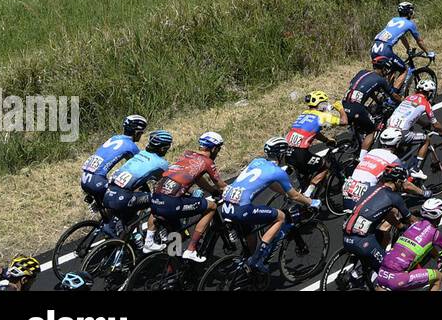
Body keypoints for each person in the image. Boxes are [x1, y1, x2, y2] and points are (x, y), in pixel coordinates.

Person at [219, 137, 320, 273]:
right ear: (281, 154)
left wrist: (284, 193)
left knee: (251, 239)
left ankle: (246, 266)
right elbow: (294, 195)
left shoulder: (257, 161)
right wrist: (311, 202)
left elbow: (270, 183)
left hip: (226, 206)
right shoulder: (278, 172)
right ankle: (258, 260)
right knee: (281, 217)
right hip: (241, 209)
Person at [147, 131, 226, 262]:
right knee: (211, 207)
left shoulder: (187, 155)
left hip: (155, 199)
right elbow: (222, 186)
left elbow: (197, 178)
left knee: (177, 235)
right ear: (213, 148)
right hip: (171, 203)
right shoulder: (207, 161)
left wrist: (212, 191)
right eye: (218, 149)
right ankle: (191, 250)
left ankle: (171, 272)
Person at [374, 198, 442, 291]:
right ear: (439, 216)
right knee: (438, 277)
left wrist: (438, 258)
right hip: (397, 278)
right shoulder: (435, 234)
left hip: (381, 274)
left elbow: (428, 246)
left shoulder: (413, 226)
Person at [342, 163, 413, 272]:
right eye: (403, 182)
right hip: (362, 242)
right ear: (398, 182)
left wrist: (400, 226)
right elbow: (411, 220)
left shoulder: (372, 188)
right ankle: (357, 275)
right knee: (389, 272)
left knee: (383, 235)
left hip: (346, 236)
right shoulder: (394, 197)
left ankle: (363, 271)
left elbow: (386, 214)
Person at [386, 79, 442, 186]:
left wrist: (423, 124)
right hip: (401, 132)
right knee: (426, 139)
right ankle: (416, 169)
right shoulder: (425, 103)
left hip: (388, 128)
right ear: (429, 93)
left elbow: (411, 116)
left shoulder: (408, 98)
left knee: (401, 147)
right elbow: (435, 124)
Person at [102, 129, 173, 227]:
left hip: (108, 192)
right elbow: (167, 184)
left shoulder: (140, 153)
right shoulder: (161, 164)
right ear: (163, 148)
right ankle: (146, 238)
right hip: (123, 198)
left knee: (129, 217)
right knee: (160, 200)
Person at [284, 90, 347, 195]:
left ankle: (303, 195)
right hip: (300, 153)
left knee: (306, 175)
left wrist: (326, 140)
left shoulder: (304, 114)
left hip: (288, 151)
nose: (326, 105)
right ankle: (308, 195)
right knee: (325, 166)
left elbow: (314, 132)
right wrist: (340, 108)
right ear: (321, 104)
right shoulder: (322, 116)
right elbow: (344, 122)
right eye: (325, 103)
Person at [342, 131, 423, 211]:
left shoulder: (372, 151)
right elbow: (405, 184)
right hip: (365, 193)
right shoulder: (394, 159)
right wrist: (423, 193)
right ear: (397, 144)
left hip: (348, 188)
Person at [79, 113, 147, 205]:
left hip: (84, 178)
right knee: (125, 200)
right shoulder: (131, 146)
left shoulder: (114, 138)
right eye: (141, 133)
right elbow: (140, 167)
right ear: (136, 132)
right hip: (97, 181)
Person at [344, 56, 404, 150]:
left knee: (364, 115)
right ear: (384, 68)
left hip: (343, 104)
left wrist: (377, 101)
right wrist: (403, 102)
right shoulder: (381, 80)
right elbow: (393, 96)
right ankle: (361, 158)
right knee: (371, 131)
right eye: (386, 69)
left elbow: (367, 90)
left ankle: (356, 137)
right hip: (356, 108)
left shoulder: (362, 72)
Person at [370, 1, 435, 81]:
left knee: (389, 70)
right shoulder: (410, 24)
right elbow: (419, 41)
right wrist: (428, 53)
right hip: (385, 49)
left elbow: (401, 36)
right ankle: (394, 93)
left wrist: (408, 49)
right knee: (404, 70)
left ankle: (384, 89)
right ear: (409, 12)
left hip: (374, 47)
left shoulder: (393, 20)